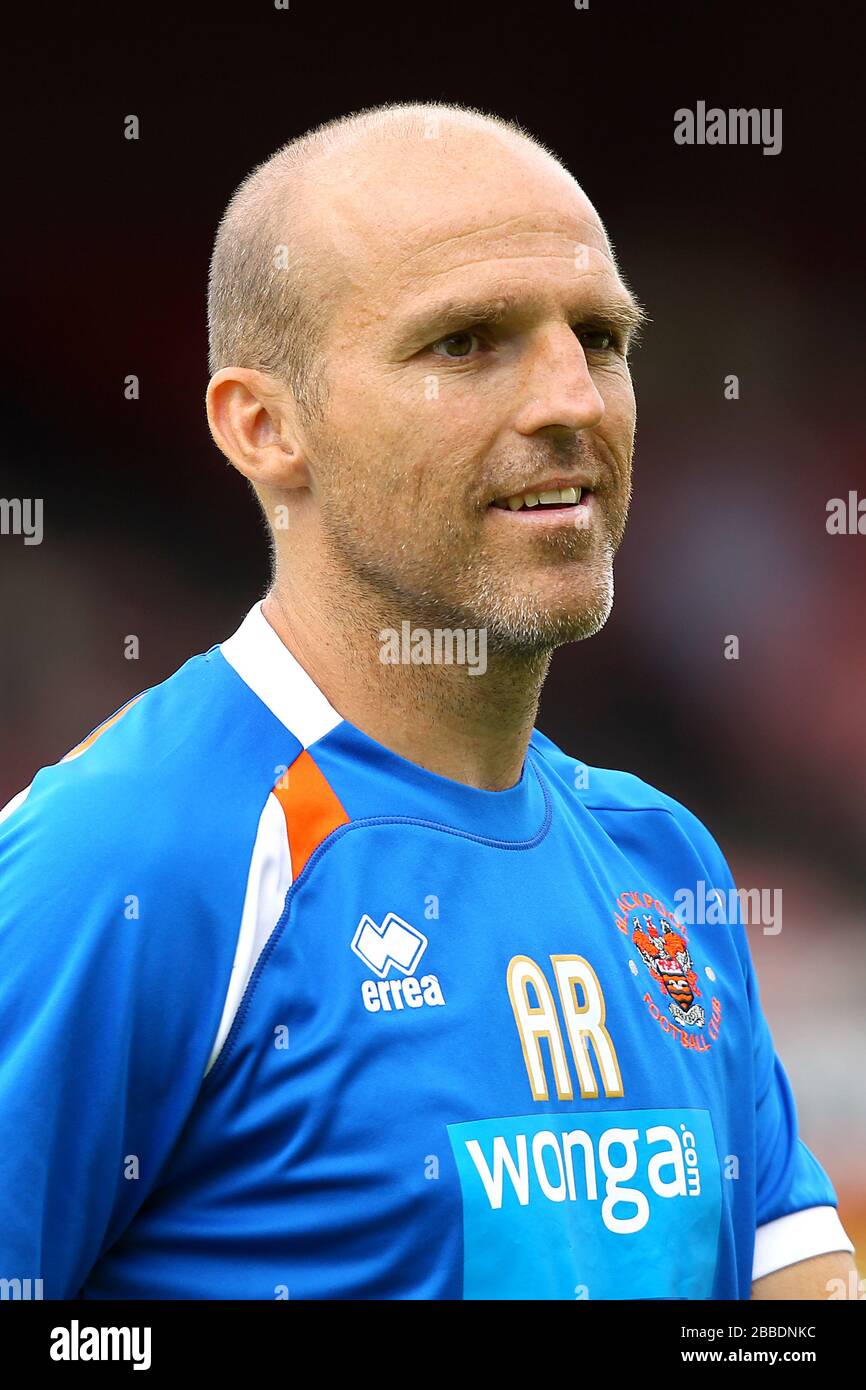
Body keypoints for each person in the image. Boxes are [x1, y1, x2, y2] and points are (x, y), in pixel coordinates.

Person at [0, 101, 855, 1300]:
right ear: (264, 426)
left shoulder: (662, 860)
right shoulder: (130, 854)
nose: (573, 401)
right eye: (465, 343)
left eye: (599, 338)